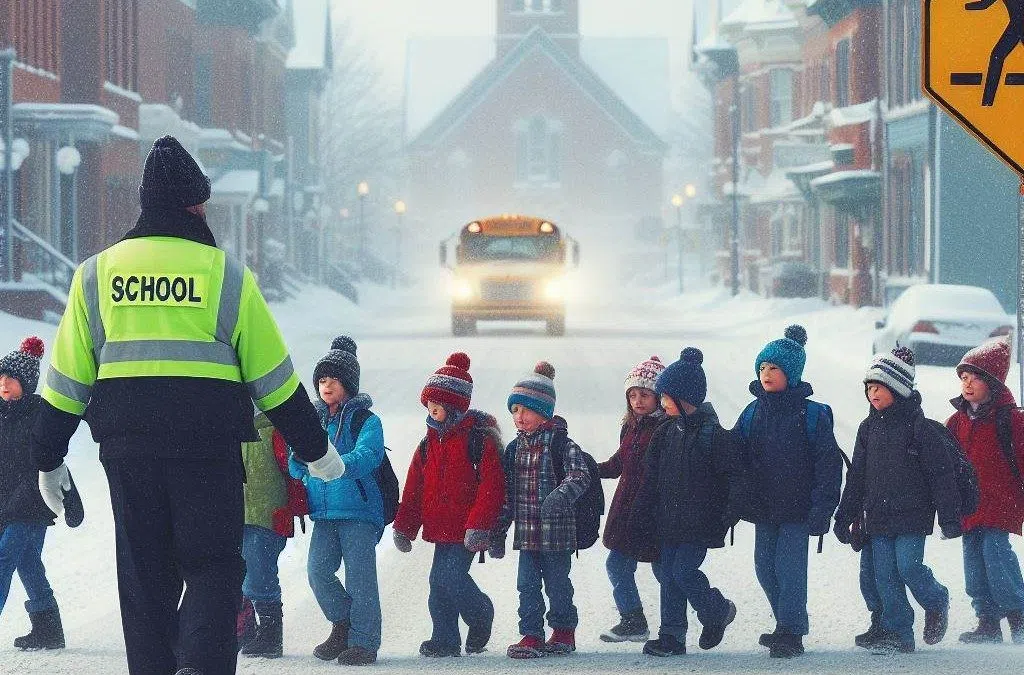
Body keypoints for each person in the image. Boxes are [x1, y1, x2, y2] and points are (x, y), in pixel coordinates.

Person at [30, 136, 338, 675]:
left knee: (145, 577)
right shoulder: (228, 276)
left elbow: (65, 385)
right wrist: (316, 450)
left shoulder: (95, 276)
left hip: (129, 454)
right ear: (195, 205)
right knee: (214, 568)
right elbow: (275, 381)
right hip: (208, 454)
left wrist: (47, 457)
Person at [834, 346, 961, 654]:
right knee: (885, 576)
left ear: (898, 389)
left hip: (912, 516)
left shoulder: (921, 429)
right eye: (869, 387)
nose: (872, 393)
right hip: (878, 516)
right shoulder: (868, 429)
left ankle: (936, 599)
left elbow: (940, 476)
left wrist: (949, 516)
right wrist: (844, 514)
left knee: (908, 567)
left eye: (878, 387)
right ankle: (899, 632)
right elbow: (857, 477)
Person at [732, 325, 843, 658]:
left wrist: (823, 508)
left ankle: (791, 631)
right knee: (764, 567)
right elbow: (733, 457)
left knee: (790, 570)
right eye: (762, 368)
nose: (766, 374)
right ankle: (785, 622)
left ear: (791, 373)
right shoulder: (752, 412)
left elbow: (828, 465)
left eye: (774, 368)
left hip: (798, 510)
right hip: (763, 508)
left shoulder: (813, 415)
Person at [392, 352, 506, 657]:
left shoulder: (478, 440)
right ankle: (445, 638)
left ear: (455, 406)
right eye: (429, 404)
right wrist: (404, 527)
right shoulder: (428, 443)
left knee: (452, 577)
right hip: (440, 526)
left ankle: (481, 614)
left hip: (466, 528)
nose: (432, 409)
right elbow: (414, 488)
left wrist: (479, 525)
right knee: (437, 584)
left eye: (438, 404)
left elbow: (491, 487)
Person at [629, 347, 737, 657]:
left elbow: (730, 479)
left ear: (684, 398)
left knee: (682, 572)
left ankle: (717, 611)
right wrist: (641, 514)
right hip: (667, 522)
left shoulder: (713, 435)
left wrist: (725, 515)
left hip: (698, 523)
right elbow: (651, 480)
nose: (660, 402)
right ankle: (672, 636)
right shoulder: (665, 433)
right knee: (667, 575)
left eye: (665, 397)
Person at [290, 336, 385, 666]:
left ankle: (365, 641)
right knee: (318, 571)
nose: (325, 385)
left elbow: (369, 455)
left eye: (332, 379)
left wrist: (339, 465)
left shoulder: (366, 420)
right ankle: (343, 625)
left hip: (358, 510)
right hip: (325, 512)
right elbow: (295, 459)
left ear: (348, 384)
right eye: (320, 380)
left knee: (360, 579)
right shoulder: (314, 419)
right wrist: (302, 463)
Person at [492, 362, 591, 659]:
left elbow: (580, 476)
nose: (519, 417)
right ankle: (531, 634)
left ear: (544, 412)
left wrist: (558, 497)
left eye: (526, 410)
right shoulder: (513, 449)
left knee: (558, 583)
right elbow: (508, 494)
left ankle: (563, 630)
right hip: (527, 534)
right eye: (514, 411)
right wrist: (499, 529)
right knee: (527, 585)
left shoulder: (561, 443)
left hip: (557, 534)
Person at [946, 337, 1024, 644]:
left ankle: (1018, 616)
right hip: (970, 506)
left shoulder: (1012, 421)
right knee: (974, 563)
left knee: (995, 553)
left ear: (991, 382)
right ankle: (987, 620)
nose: (966, 384)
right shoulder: (956, 421)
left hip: (1001, 502)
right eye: (963, 378)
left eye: (974, 377)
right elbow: (944, 464)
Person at [0, 338, 64, 650]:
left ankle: (48, 626)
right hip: (5, 505)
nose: (3, 383)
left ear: (26, 382)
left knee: (2, 560)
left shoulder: (40, 413)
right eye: (0, 377)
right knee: (27, 563)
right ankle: (49, 628)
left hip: (32, 504)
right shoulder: (1, 414)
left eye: (11, 378)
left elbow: (53, 456)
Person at [597, 355, 666, 644]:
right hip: (627, 508)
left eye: (645, 395)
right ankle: (633, 620)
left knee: (667, 571)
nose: (638, 400)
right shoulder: (630, 427)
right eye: (633, 395)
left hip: (653, 510)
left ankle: (708, 609)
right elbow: (619, 463)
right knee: (617, 565)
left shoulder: (664, 429)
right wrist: (590, 468)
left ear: (659, 397)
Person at [236, 410, 311, 658]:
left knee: (260, 574)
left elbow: (293, 472)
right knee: (239, 572)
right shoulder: (234, 429)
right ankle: (246, 629)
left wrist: (296, 506)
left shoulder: (275, 430)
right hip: (239, 515)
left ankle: (270, 634)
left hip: (269, 515)